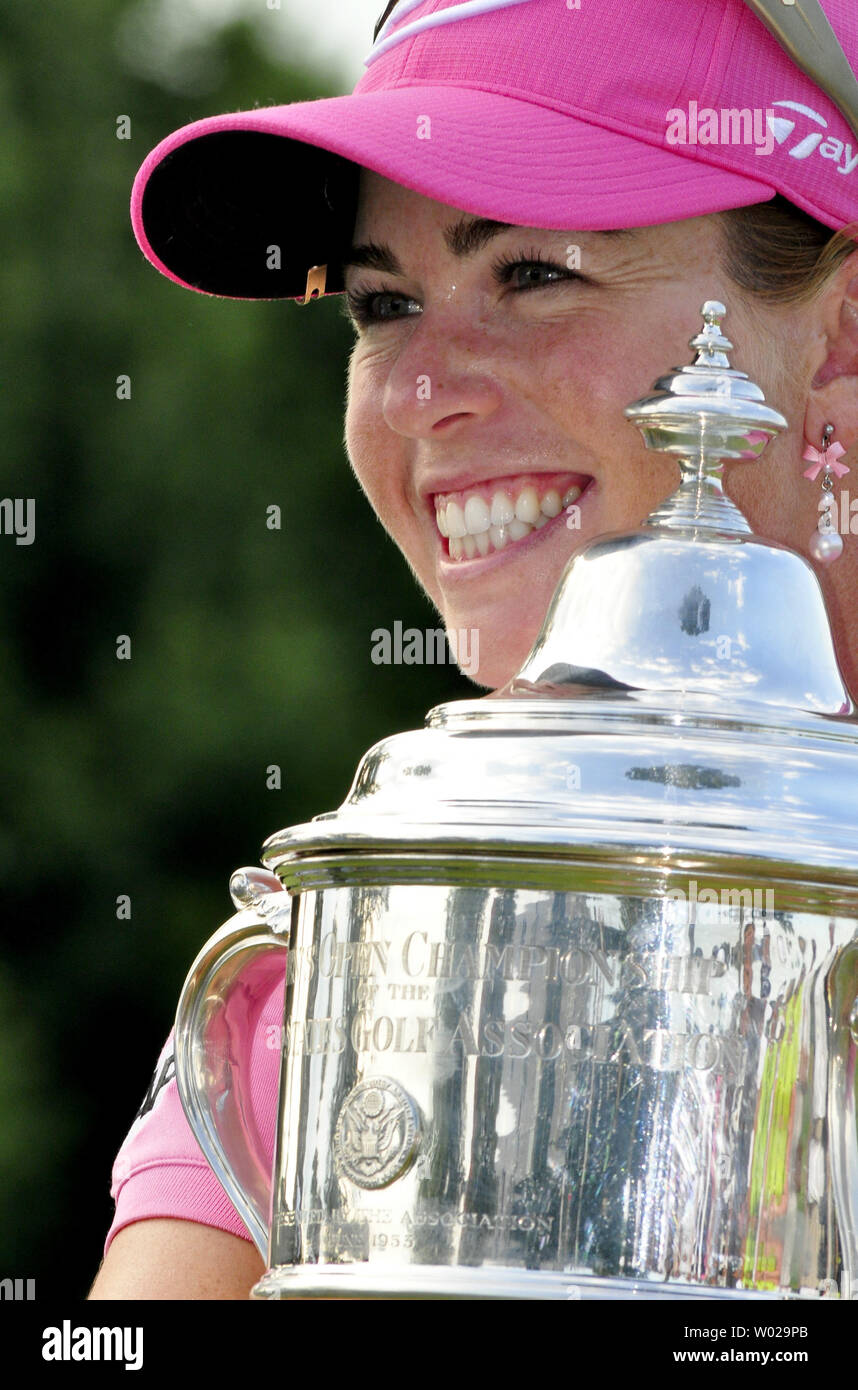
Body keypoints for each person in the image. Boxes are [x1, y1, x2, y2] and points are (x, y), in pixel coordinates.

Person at [88, 0, 858, 1299]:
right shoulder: (347, 958)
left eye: (531, 271)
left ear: (838, 337)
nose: (413, 389)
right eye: (383, 302)